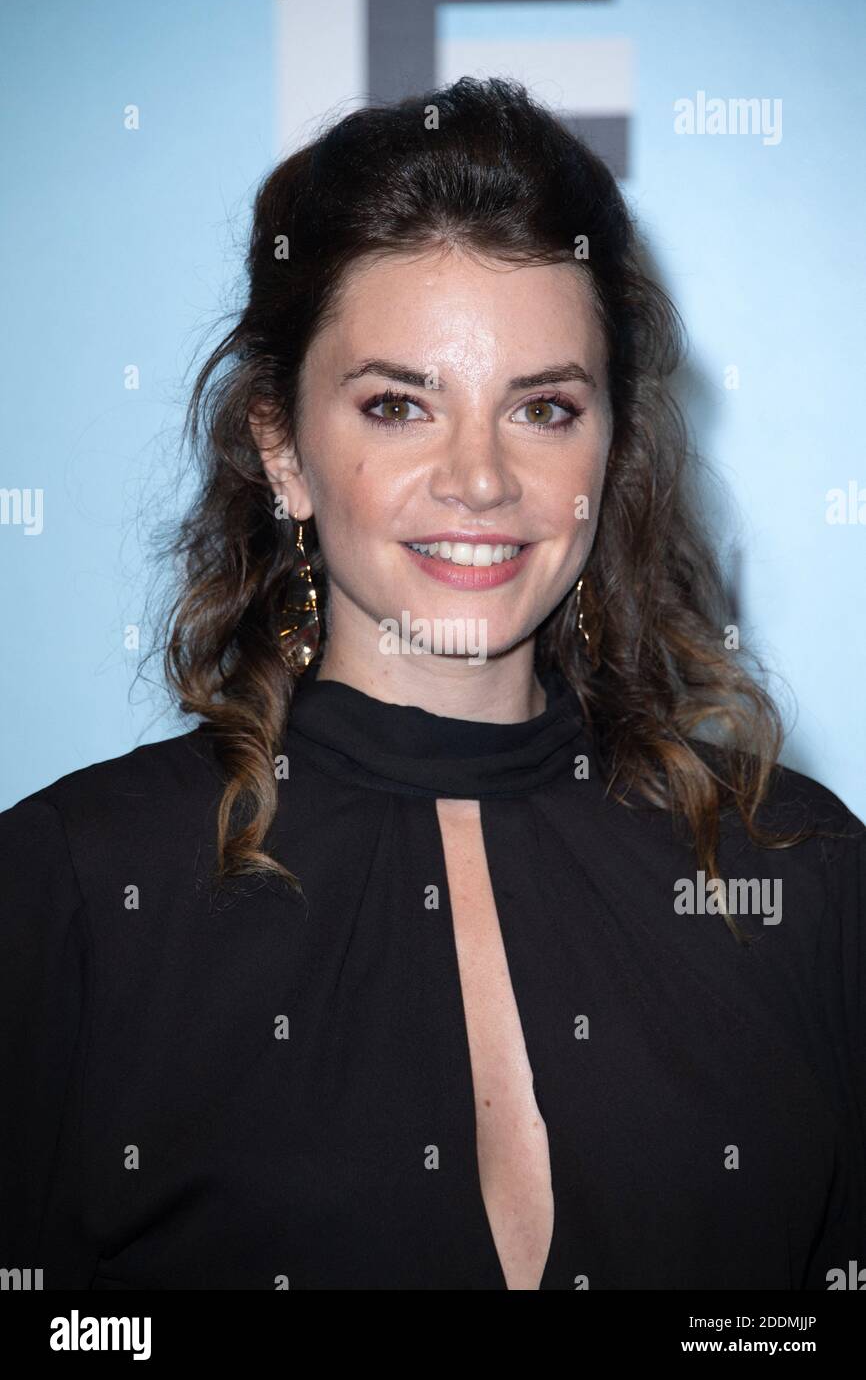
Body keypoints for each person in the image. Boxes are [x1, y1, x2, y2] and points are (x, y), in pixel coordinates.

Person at [1, 77, 863, 1292]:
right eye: (399, 405)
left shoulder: (800, 874)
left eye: (544, 407)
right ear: (282, 449)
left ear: (608, 448)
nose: (479, 479)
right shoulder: (70, 891)